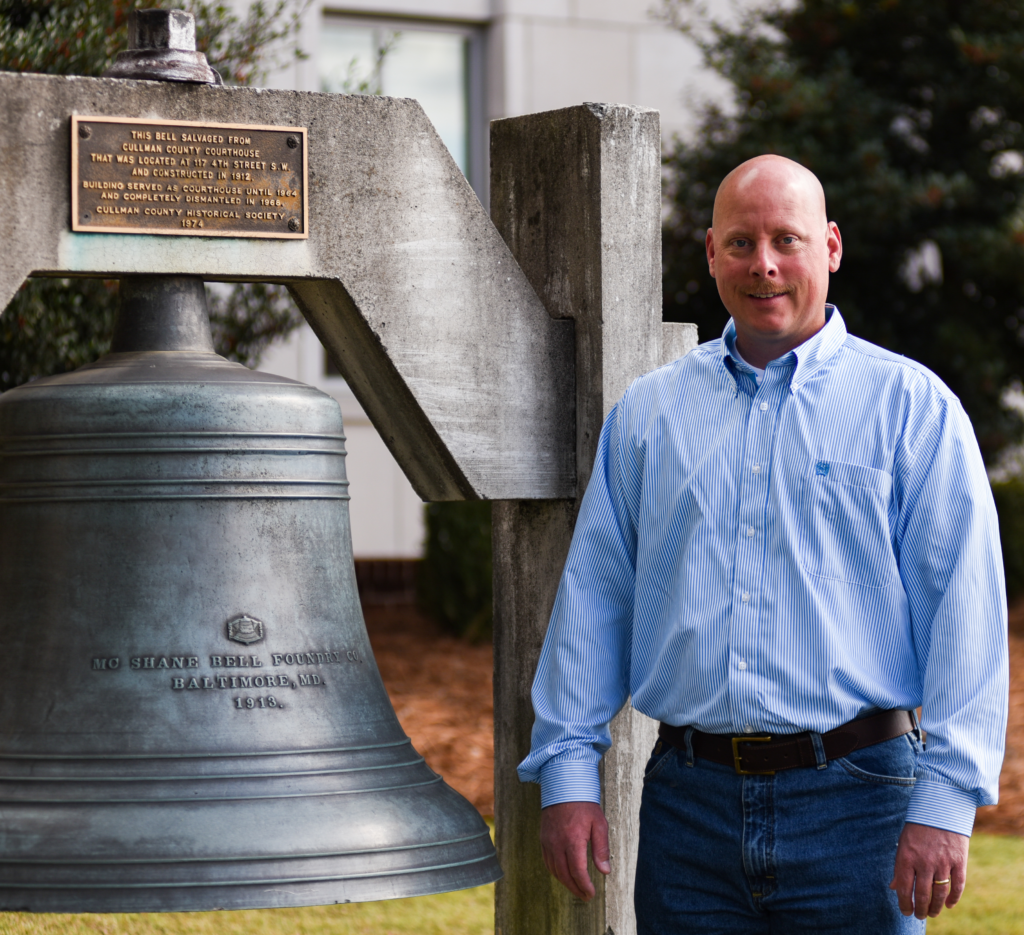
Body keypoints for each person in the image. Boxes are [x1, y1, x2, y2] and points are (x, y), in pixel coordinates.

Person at [518, 155, 1009, 933]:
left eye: (788, 238)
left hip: (861, 802)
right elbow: (596, 596)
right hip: (688, 809)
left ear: (833, 247)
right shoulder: (649, 415)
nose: (766, 264)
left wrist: (946, 800)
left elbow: (965, 610)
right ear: (710, 252)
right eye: (742, 242)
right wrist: (569, 774)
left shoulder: (912, 407)